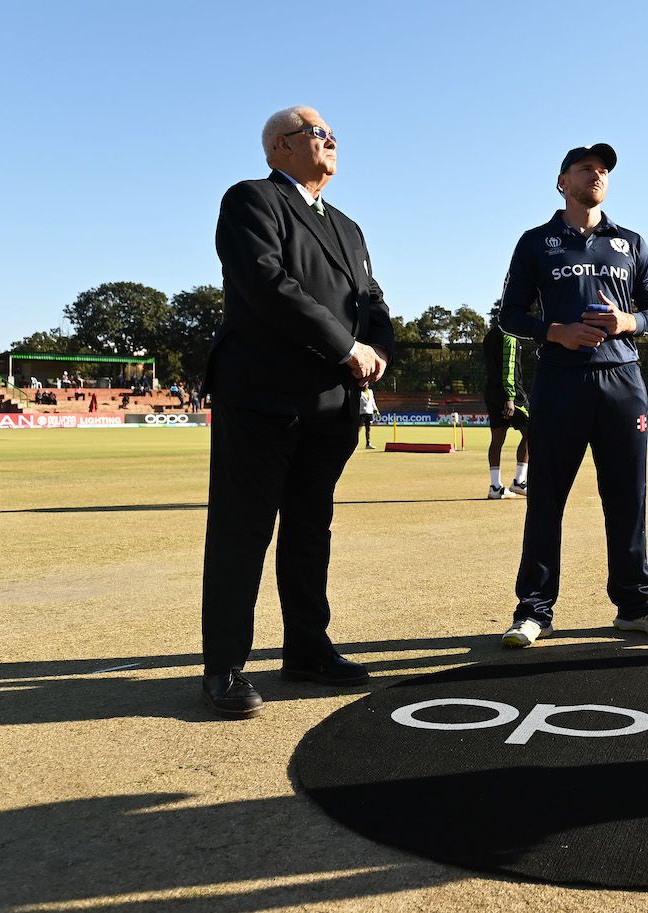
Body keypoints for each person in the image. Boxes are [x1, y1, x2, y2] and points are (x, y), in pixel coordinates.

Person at [200, 105, 395, 719]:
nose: (331, 141)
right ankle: (225, 667)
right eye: (318, 133)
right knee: (243, 530)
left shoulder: (347, 225)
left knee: (311, 528)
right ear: (279, 147)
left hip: (331, 401)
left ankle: (307, 649)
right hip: (261, 392)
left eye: (334, 134)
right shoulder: (251, 199)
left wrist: (380, 349)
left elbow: (372, 298)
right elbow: (266, 282)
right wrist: (346, 346)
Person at [497, 143, 648, 647]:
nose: (596, 175)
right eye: (585, 169)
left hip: (623, 381)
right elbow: (508, 315)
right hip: (559, 380)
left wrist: (629, 321)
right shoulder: (536, 241)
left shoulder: (631, 242)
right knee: (547, 498)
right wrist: (553, 331)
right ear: (563, 181)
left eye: (602, 170)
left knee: (627, 498)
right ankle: (533, 610)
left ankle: (637, 605)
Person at [482, 321, 530, 498]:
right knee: (531, 431)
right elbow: (509, 369)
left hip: (491, 392)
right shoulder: (510, 336)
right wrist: (510, 398)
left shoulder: (489, 336)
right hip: (512, 395)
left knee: (497, 439)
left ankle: (495, 487)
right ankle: (519, 481)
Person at [358, 384, 380, 449]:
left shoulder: (370, 391)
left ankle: (368, 444)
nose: (365, 385)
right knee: (359, 429)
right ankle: (354, 444)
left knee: (368, 429)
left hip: (369, 412)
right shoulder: (359, 392)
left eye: (367, 384)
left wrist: (376, 410)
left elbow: (372, 401)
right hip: (361, 413)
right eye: (364, 384)